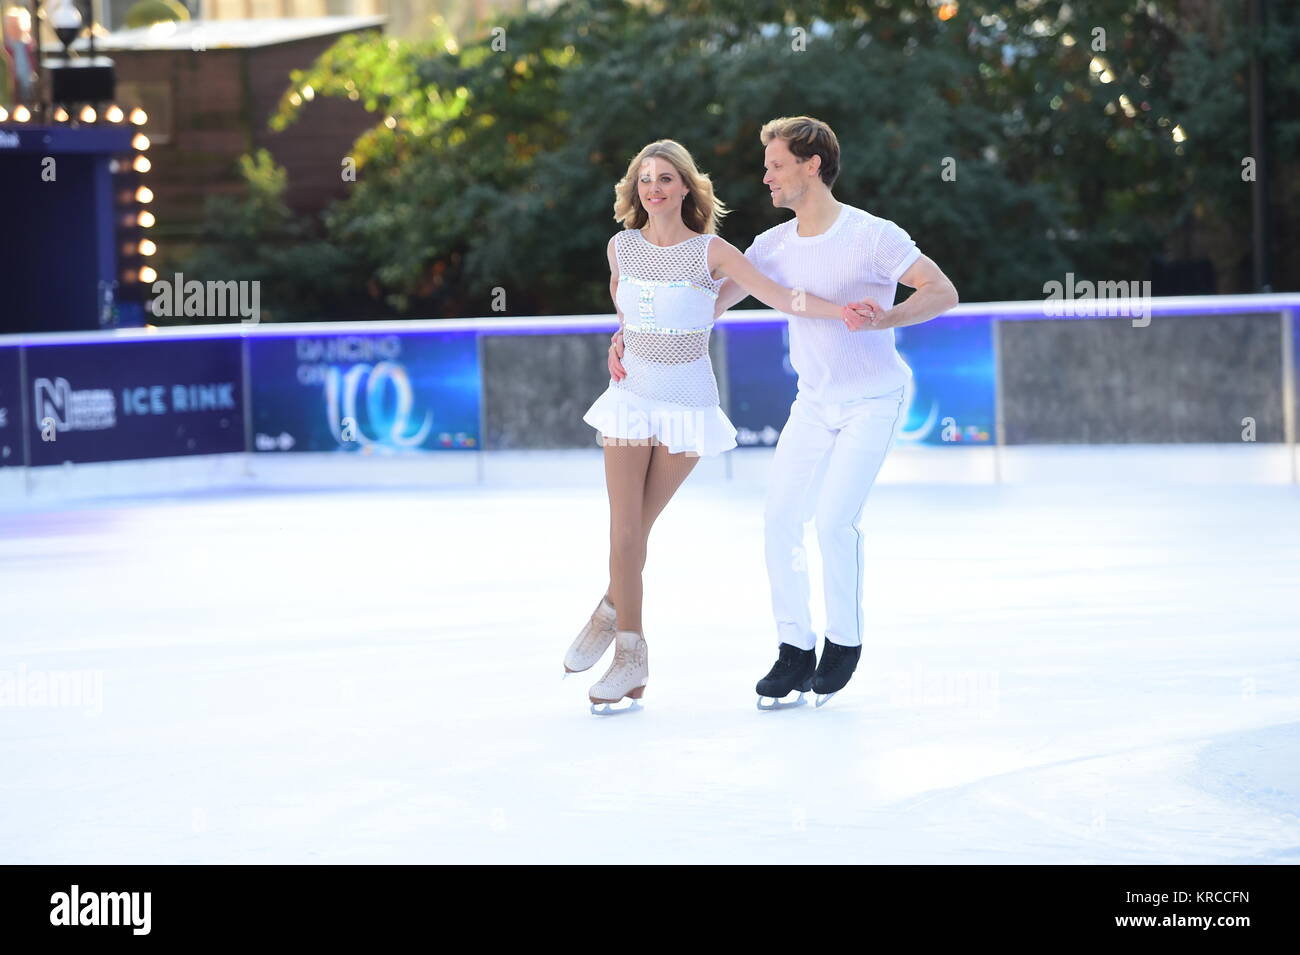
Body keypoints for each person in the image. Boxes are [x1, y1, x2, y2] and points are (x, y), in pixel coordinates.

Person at [610, 117, 959, 708]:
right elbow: (700, 308)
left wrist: (886, 317)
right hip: (813, 403)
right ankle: (793, 650)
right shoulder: (770, 247)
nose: (765, 176)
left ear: (811, 165)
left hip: (874, 400)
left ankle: (841, 643)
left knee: (832, 521)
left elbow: (941, 291)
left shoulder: (873, 235)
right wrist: (628, 335)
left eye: (775, 165)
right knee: (779, 520)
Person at [568, 138, 869, 714]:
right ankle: (632, 656)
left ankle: (610, 609)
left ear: (685, 187)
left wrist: (842, 312)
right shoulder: (620, 248)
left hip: (686, 402)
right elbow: (627, 313)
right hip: (630, 396)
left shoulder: (712, 252)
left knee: (639, 529)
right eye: (645, 179)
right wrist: (618, 336)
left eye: (665, 178)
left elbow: (784, 297)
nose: (653, 187)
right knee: (623, 529)